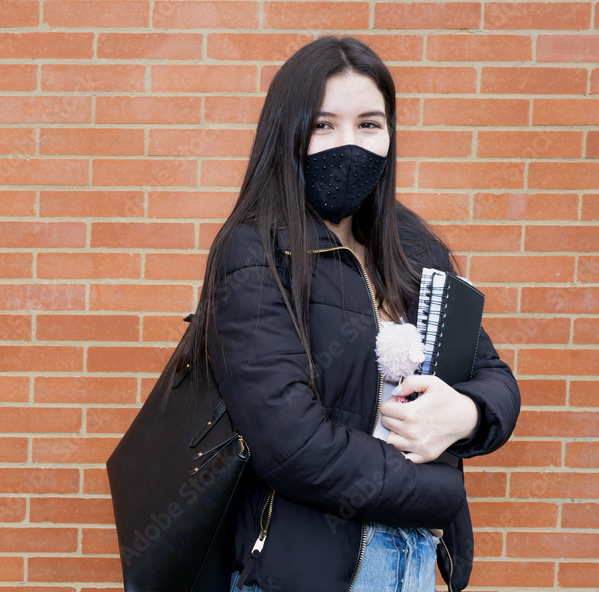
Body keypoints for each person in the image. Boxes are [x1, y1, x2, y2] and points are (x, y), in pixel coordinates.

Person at [181, 37, 520, 591]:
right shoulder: (254, 251)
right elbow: (290, 443)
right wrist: (439, 492)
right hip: (309, 570)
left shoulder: (413, 248)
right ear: (287, 134)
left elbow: (494, 376)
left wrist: (468, 415)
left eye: (369, 124)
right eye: (323, 125)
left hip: (412, 563)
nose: (349, 144)